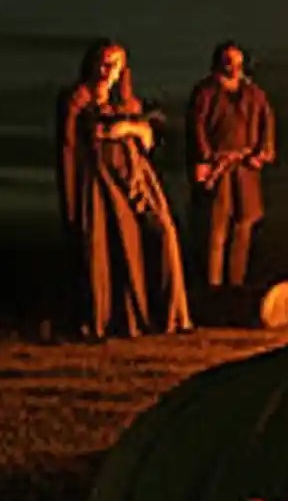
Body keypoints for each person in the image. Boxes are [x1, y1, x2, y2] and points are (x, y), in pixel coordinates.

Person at [56, 39, 193, 339]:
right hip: (102, 185)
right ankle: (112, 320)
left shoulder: (128, 103)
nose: (108, 70)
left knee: (163, 233)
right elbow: (72, 145)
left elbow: (146, 137)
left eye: (115, 64)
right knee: (112, 249)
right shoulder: (77, 101)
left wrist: (126, 128)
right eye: (104, 62)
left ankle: (170, 315)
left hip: (136, 180)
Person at [186, 41, 276, 305]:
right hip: (218, 170)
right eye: (228, 60)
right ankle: (212, 294)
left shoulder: (254, 94)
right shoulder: (205, 93)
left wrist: (263, 152)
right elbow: (196, 127)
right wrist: (204, 159)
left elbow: (267, 123)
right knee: (215, 232)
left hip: (245, 170)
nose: (233, 66)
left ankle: (235, 291)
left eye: (237, 61)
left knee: (243, 229)